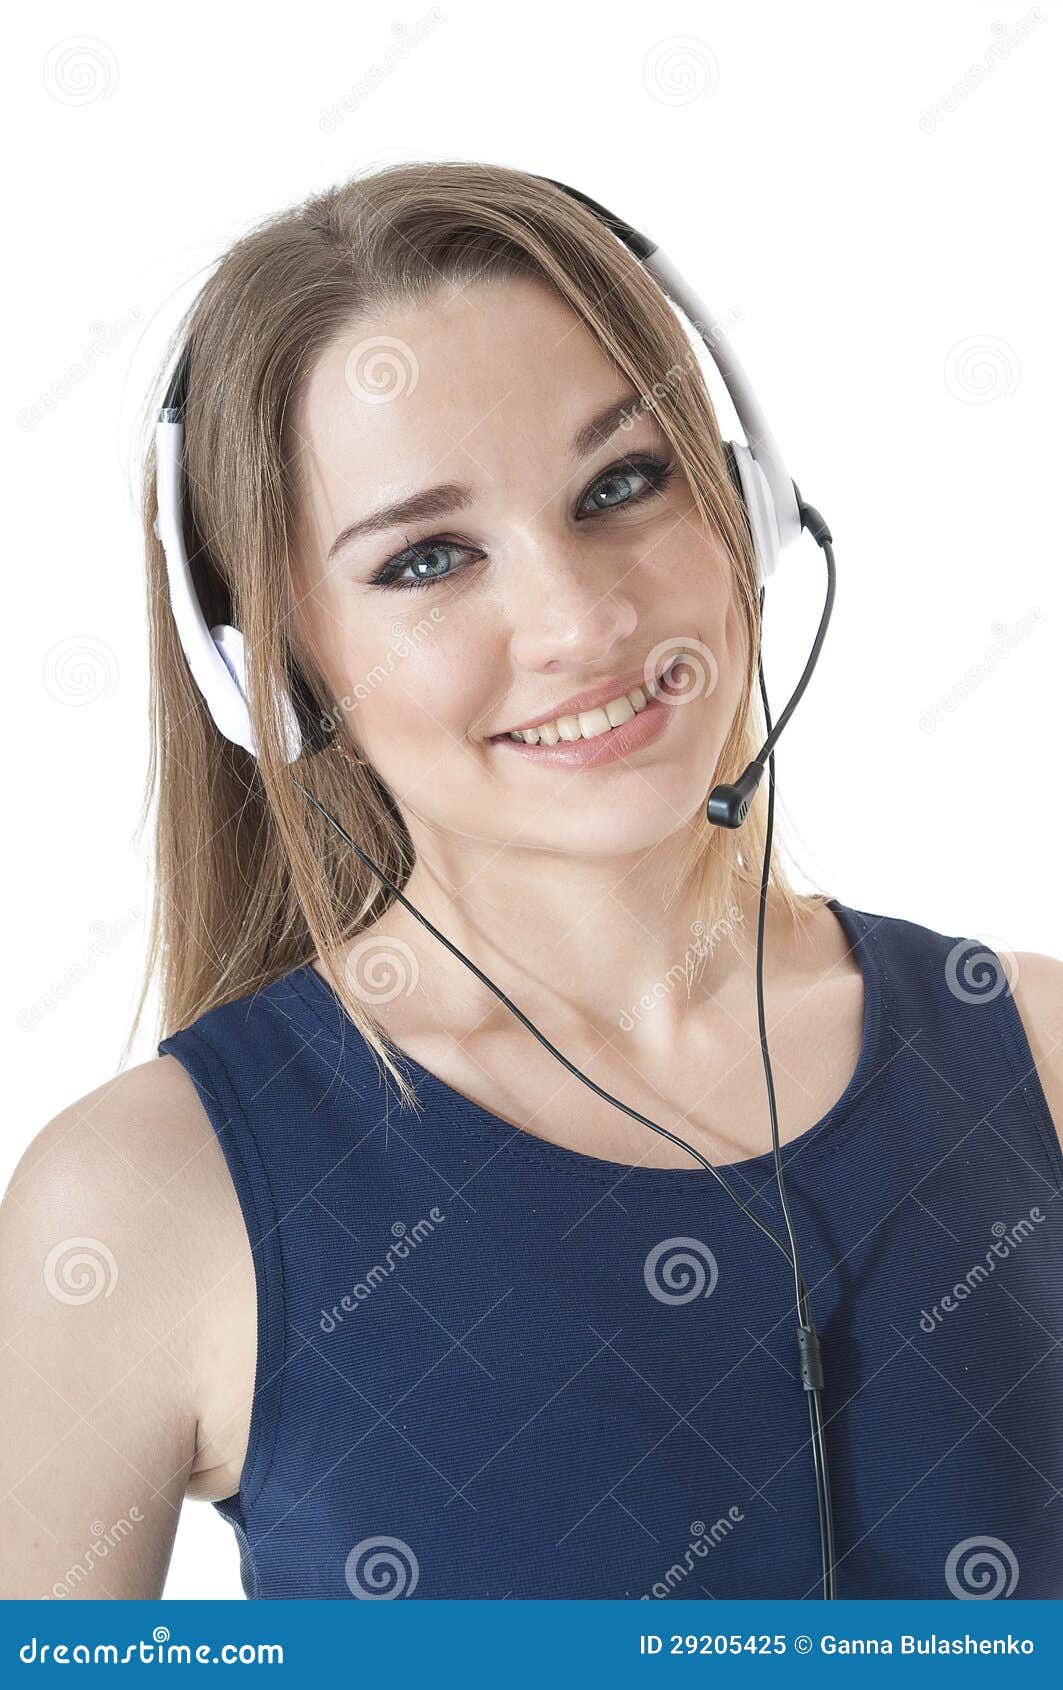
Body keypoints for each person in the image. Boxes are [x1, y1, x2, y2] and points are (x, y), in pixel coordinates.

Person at [2, 162, 1060, 1603]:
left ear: (748, 506)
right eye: (429, 557)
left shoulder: (1038, 1052)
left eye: (621, 482)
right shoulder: (136, 1201)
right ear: (277, 676)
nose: (578, 620)